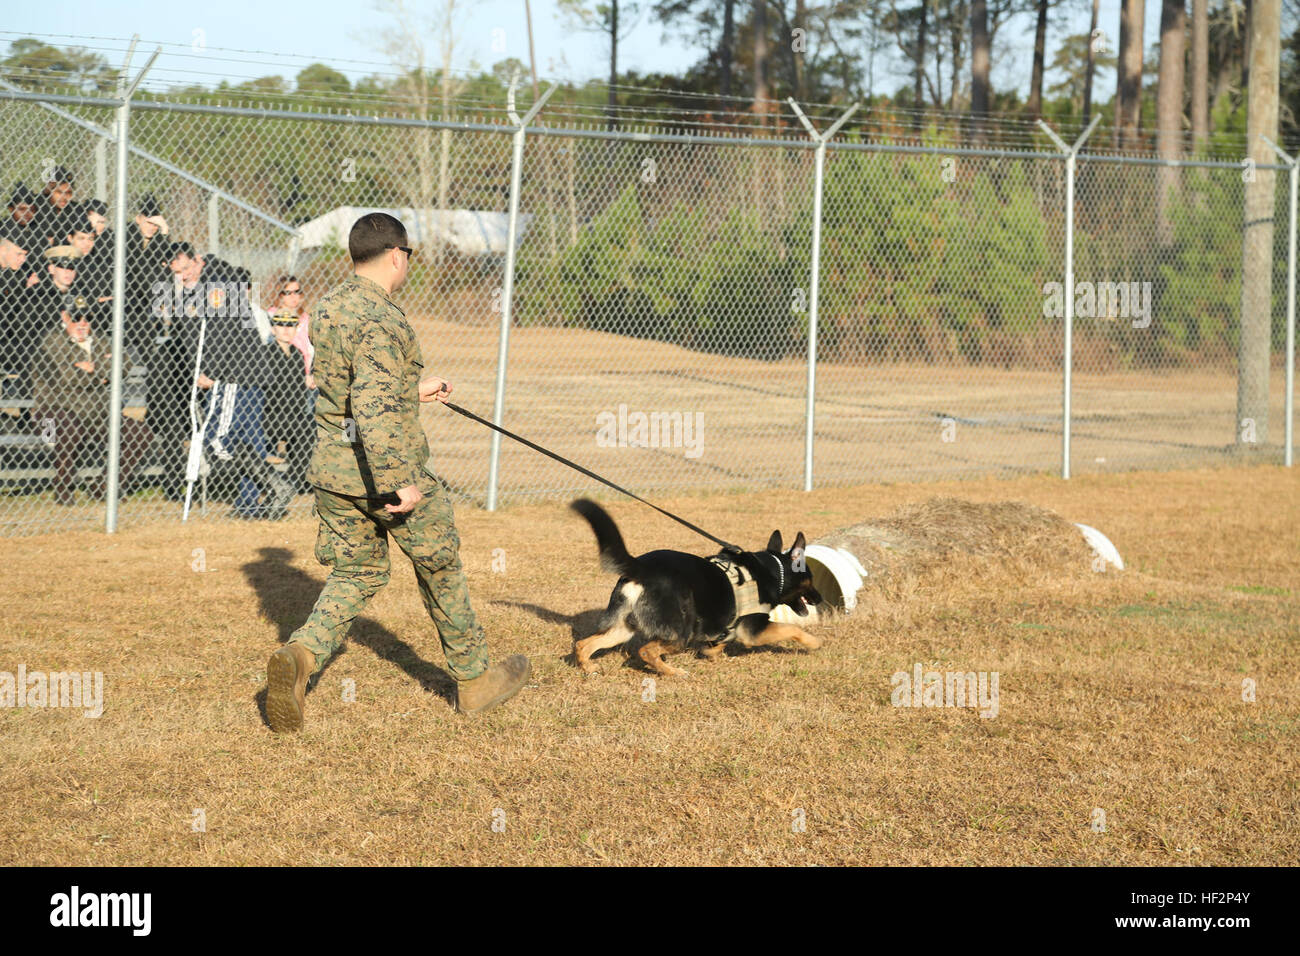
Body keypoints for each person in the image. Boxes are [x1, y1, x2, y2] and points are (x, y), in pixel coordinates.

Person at [264, 212, 529, 733]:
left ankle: (301, 655)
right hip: (383, 469)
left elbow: (340, 384)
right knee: (440, 565)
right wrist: (397, 480)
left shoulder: (331, 306)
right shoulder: (383, 318)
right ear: (395, 255)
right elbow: (370, 400)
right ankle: (474, 682)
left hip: (334, 471)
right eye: (408, 256)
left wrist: (414, 389)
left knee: (359, 571)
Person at [166, 241, 288, 517]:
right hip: (242, 373)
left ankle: (276, 484)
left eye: (187, 268)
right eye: (177, 272)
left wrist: (211, 373)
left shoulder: (217, 282)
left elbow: (225, 335)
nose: (184, 276)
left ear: (198, 260)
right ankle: (250, 504)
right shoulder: (190, 291)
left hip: (235, 374)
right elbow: (192, 337)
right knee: (251, 438)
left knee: (216, 439)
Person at [30, 296, 153, 505]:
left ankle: (103, 486)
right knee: (69, 427)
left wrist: (92, 368)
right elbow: (66, 377)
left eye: (87, 318)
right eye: (76, 318)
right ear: (64, 317)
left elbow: (124, 364)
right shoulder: (51, 341)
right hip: (52, 414)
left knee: (140, 434)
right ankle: (64, 488)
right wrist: (104, 371)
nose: (82, 324)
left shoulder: (101, 339)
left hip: (97, 415)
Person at [262, 310, 314, 493]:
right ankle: (293, 482)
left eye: (290, 325)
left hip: (294, 414)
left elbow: (300, 392)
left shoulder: (298, 354)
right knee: (305, 427)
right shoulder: (266, 352)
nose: (285, 329)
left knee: (309, 425)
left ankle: (295, 480)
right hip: (270, 415)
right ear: (273, 328)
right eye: (281, 324)